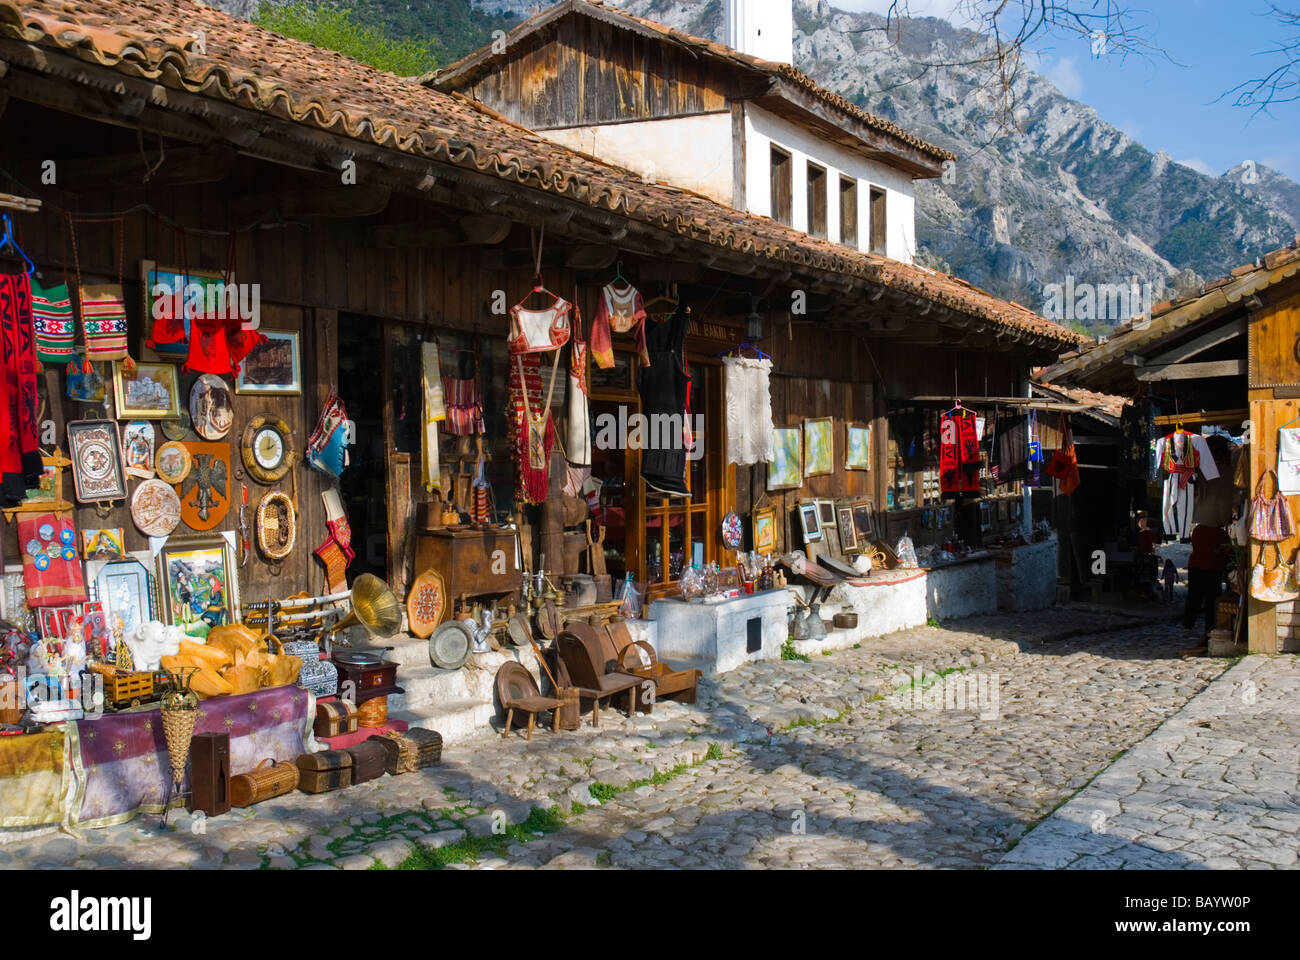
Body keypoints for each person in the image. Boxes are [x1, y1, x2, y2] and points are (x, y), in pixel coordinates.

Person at [1184, 523, 1230, 632]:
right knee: (1212, 599)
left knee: (1194, 596)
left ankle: (1188, 623)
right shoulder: (1221, 533)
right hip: (1212, 567)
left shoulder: (1198, 529)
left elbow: (1196, 545)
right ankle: (1210, 625)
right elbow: (1225, 550)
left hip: (1196, 566)